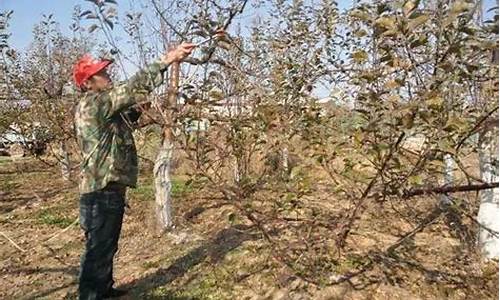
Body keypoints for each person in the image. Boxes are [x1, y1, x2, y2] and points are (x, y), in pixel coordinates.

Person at [73, 42, 195, 299]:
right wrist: (168, 59)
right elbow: (132, 88)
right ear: (88, 82)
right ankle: (92, 295)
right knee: (98, 249)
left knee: (105, 246)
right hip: (102, 190)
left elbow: (123, 120)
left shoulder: (98, 106)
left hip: (103, 189)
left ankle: (103, 290)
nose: (108, 76)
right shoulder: (95, 103)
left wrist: (140, 109)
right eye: (102, 74)